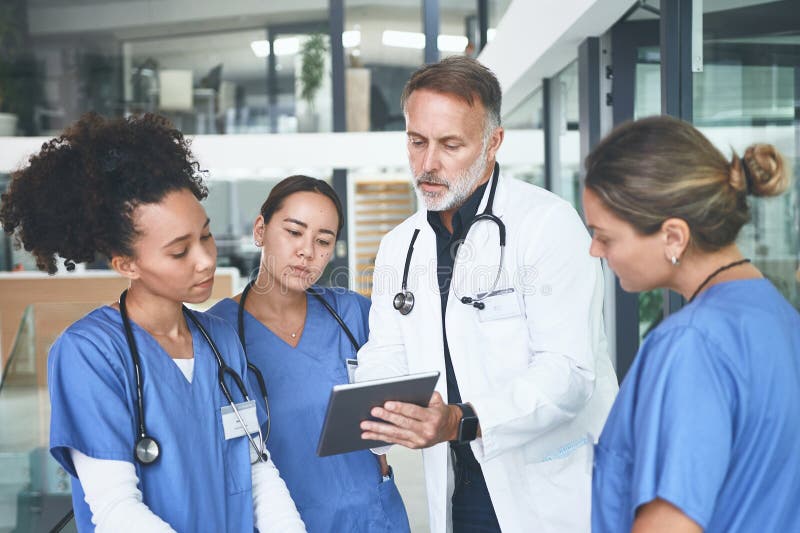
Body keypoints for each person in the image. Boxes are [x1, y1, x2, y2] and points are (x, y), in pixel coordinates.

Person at [0, 113, 305, 533]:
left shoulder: (220, 340)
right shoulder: (89, 353)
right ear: (126, 264)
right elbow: (115, 510)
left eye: (206, 236)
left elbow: (256, 470)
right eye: (179, 251)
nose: (205, 260)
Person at [354, 56, 618, 533]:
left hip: (546, 487)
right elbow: (387, 352)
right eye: (417, 141)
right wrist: (379, 416)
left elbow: (568, 372)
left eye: (450, 144)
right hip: (459, 486)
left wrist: (462, 420)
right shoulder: (399, 246)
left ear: (493, 141)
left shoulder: (547, 225)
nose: (428, 164)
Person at [583, 115, 800, 532]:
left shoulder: (691, 343)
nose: (594, 250)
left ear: (674, 237)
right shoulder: (781, 319)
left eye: (605, 236)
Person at [208, 175, 410, 533]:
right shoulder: (216, 334)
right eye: (293, 232)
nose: (307, 252)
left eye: (323, 240)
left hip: (373, 516)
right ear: (260, 230)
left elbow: (409, 380)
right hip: (283, 522)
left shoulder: (353, 313)